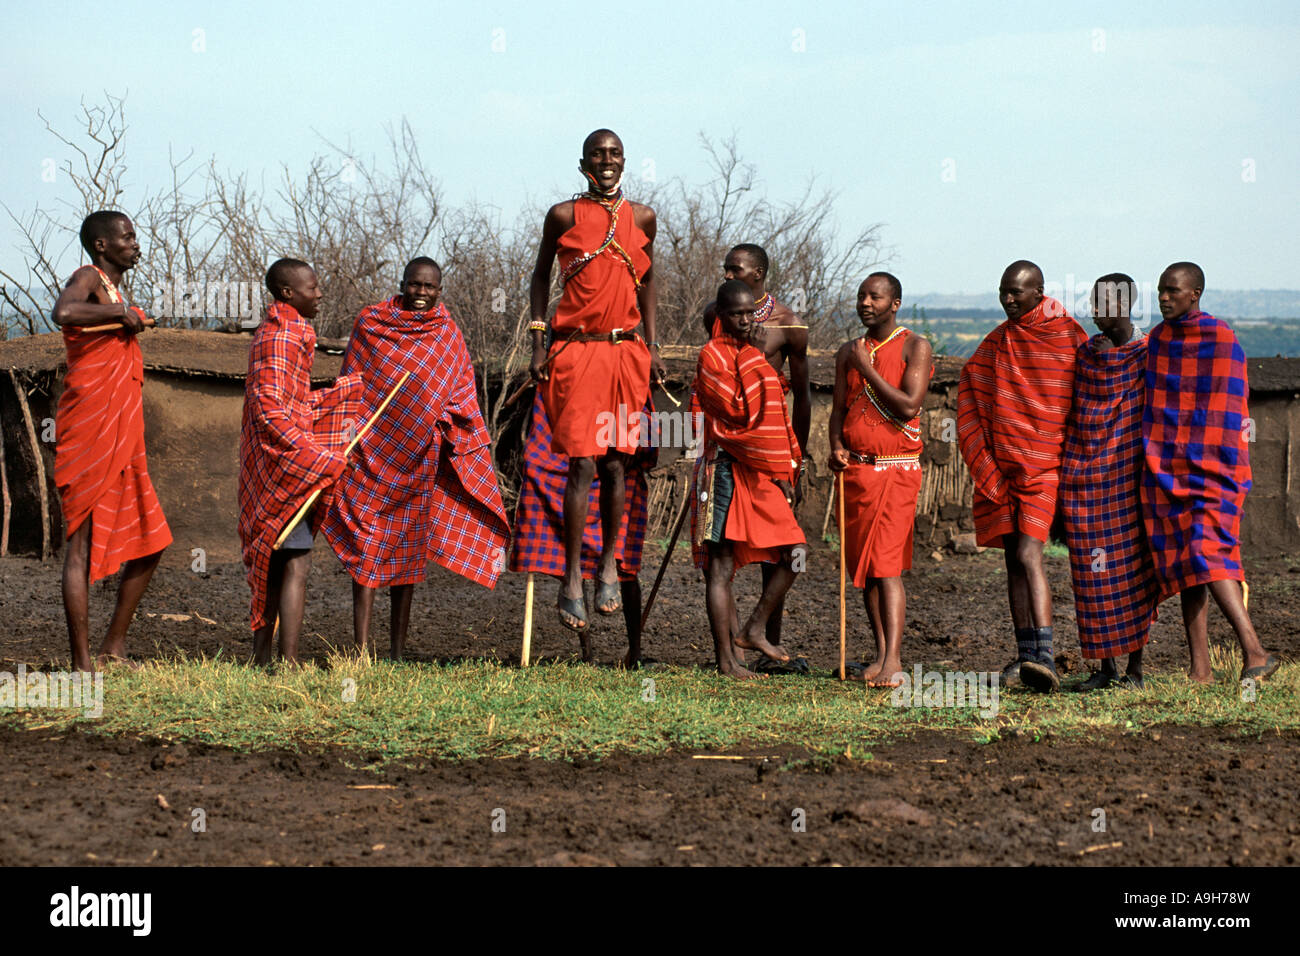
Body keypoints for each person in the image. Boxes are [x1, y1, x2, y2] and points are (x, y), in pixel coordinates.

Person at [320, 259, 510, 658]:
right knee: (367, 549)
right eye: (415, 285)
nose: (421, 293)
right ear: (402, 284)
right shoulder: (372, 325)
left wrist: (452, 424)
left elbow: (460, 392)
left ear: (440, 290)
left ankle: (398, 650)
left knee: (406, 555)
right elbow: (351, 383)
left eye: (429, 287)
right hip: (371, 457)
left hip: (418, 461)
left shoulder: (446, 334)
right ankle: (360, 650)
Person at [527, 129, 666, 635]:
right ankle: (570, 578)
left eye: (615, 154)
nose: (607, 161)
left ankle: (607, 564)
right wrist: (539, 342)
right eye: (598, 154)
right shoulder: (563, 215)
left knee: (615, 464)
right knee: (581, 463)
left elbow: (648, 279)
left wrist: (651, 344)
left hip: (625, 353)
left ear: (624, 162)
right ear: (583, 161)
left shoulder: (643, 217)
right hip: (575, 350)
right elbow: (540, 276)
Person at [1142, 262, 1278, 684]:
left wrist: (1208, 454)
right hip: (1168, 471)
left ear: (1195, 293)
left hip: (1215, 470)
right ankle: (1200, 669)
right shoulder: (1159, 341)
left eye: (1173, 291)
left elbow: (1228, 407)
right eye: (1161, 291)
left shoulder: (1221, 339)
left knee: (1205, 553)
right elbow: (1160, 402)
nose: (1164, 298)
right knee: (1187, 566)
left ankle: (1255, 650)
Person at [957, 260, 1087, 692]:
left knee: (1031, 556)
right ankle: (1025, 656)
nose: (1008, 299)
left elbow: (1083, 395)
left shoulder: (1066, 336)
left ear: (1039, 291)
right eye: (1003, 291)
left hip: (1045, 467)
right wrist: (988, 460)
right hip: (1004, 468)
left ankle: (1047, 656)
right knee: (1012, 560)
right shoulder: (997, 344)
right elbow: (972, 389)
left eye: (1017, 292)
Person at [50, 211, 172, 671]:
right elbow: (63, 312)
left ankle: (112, 648)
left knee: (154, 540)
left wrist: (125, 313)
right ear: (102, 245)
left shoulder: (116, 292)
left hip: (121, 437)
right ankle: (82, 665)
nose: (136, 244)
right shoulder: (87, 277)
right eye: (128, 237)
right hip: (88, 430)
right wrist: (120, 313)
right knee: (79, 546)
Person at [238, 259, 361, 665]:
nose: (320, 294)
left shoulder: (287, 333)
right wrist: (311, 455)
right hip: (285, 467)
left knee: (275, 558)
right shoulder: (281, 338)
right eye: (312, 287)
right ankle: (286, 660)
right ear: (288, 293)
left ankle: (263, 658)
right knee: (294, 562)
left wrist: (345, 392)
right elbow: (269, 408)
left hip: (280, 463)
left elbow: (295, 402)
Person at [698, 244, 811, 670]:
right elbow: (736, 420)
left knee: (793, 552)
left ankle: (755, 628)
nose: (745, 321)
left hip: (765, 470)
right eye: (736, 316)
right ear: (721, 318)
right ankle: (727, 660)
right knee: (721, 564)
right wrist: (755, 357)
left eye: (750, 315)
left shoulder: (777, 336)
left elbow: (785, 407)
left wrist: (788, 464)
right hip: (727, 467)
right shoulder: (713, 356)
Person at [828, 273, 933, 686]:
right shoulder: (847, 352)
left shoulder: (914, 346)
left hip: (896, 469)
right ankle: (878, 655)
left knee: (887, 566)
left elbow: (909, 406)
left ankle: (894, 660)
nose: (866, 303)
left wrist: (866, 369)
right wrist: (835, 443)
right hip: (856, 472)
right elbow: (838, 408)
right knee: (866, 568)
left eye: (876, 296)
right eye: (861, 296)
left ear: (896, 303)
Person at [1060, 274, 1158, 690]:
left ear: (1125, 304)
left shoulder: (1149, 352)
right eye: (1092, 301)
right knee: (1091, 573)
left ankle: (1135, 669)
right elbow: (1077, 414)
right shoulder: (1086, 356)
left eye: (1103, 303)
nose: (1095, 310)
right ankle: (1105, 668)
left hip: (1130, 478)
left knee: (1135, 572)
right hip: (1086, 480)